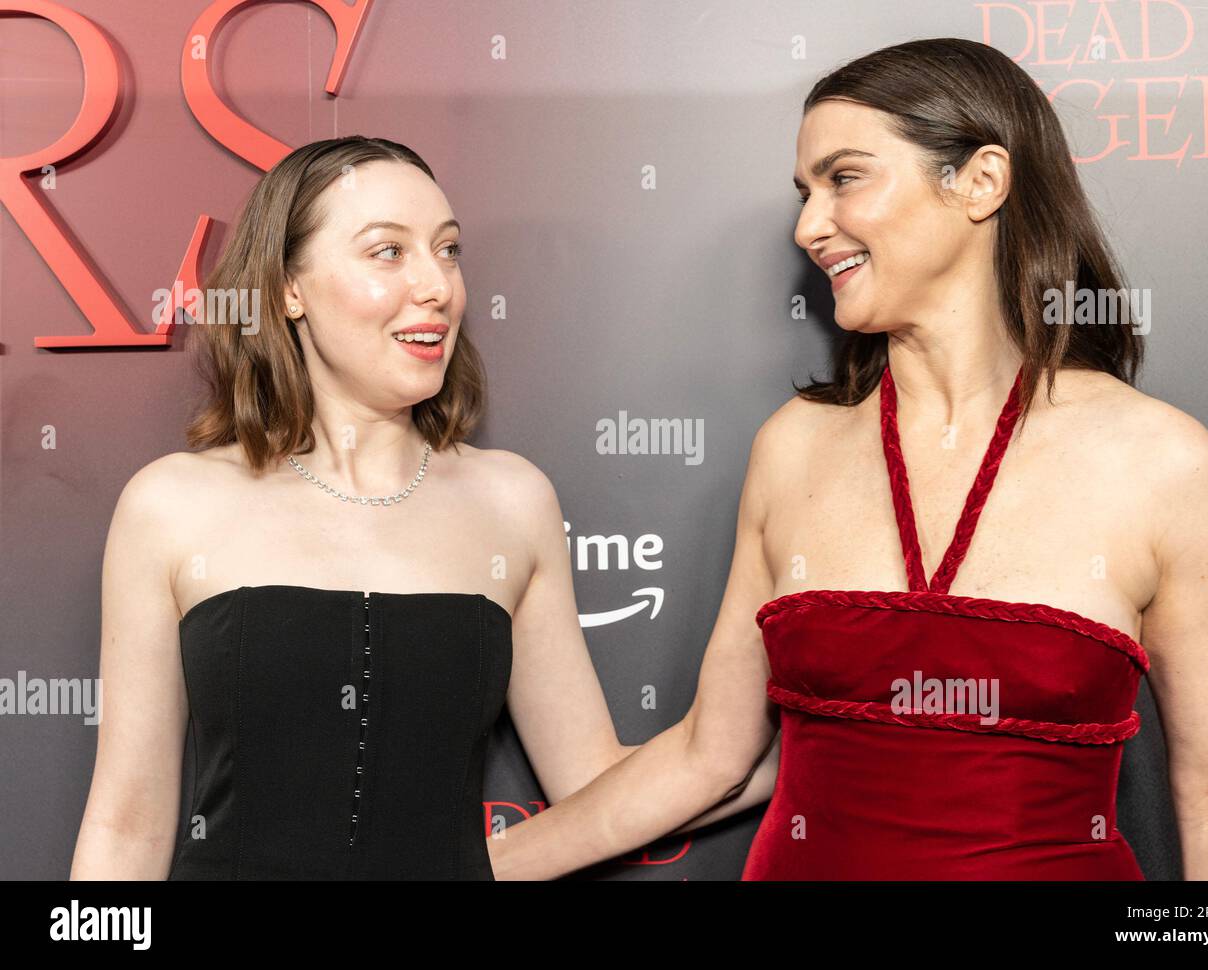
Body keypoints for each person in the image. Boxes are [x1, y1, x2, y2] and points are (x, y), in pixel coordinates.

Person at [486, 39, 1208, 880]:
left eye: (844, 177)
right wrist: (477, 865)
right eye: (804, 191)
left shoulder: (1161, 462)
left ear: (981, 181)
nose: (807, 225)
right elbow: (707, 756)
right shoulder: (793, 447)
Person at [67, 136, 772, 879]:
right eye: (388, 253)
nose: (437, 286)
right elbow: (124, 827)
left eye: (449, 251)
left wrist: (819, 749)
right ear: (288, 289)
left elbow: (595, 790)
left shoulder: (512, 499)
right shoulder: (171, 505)